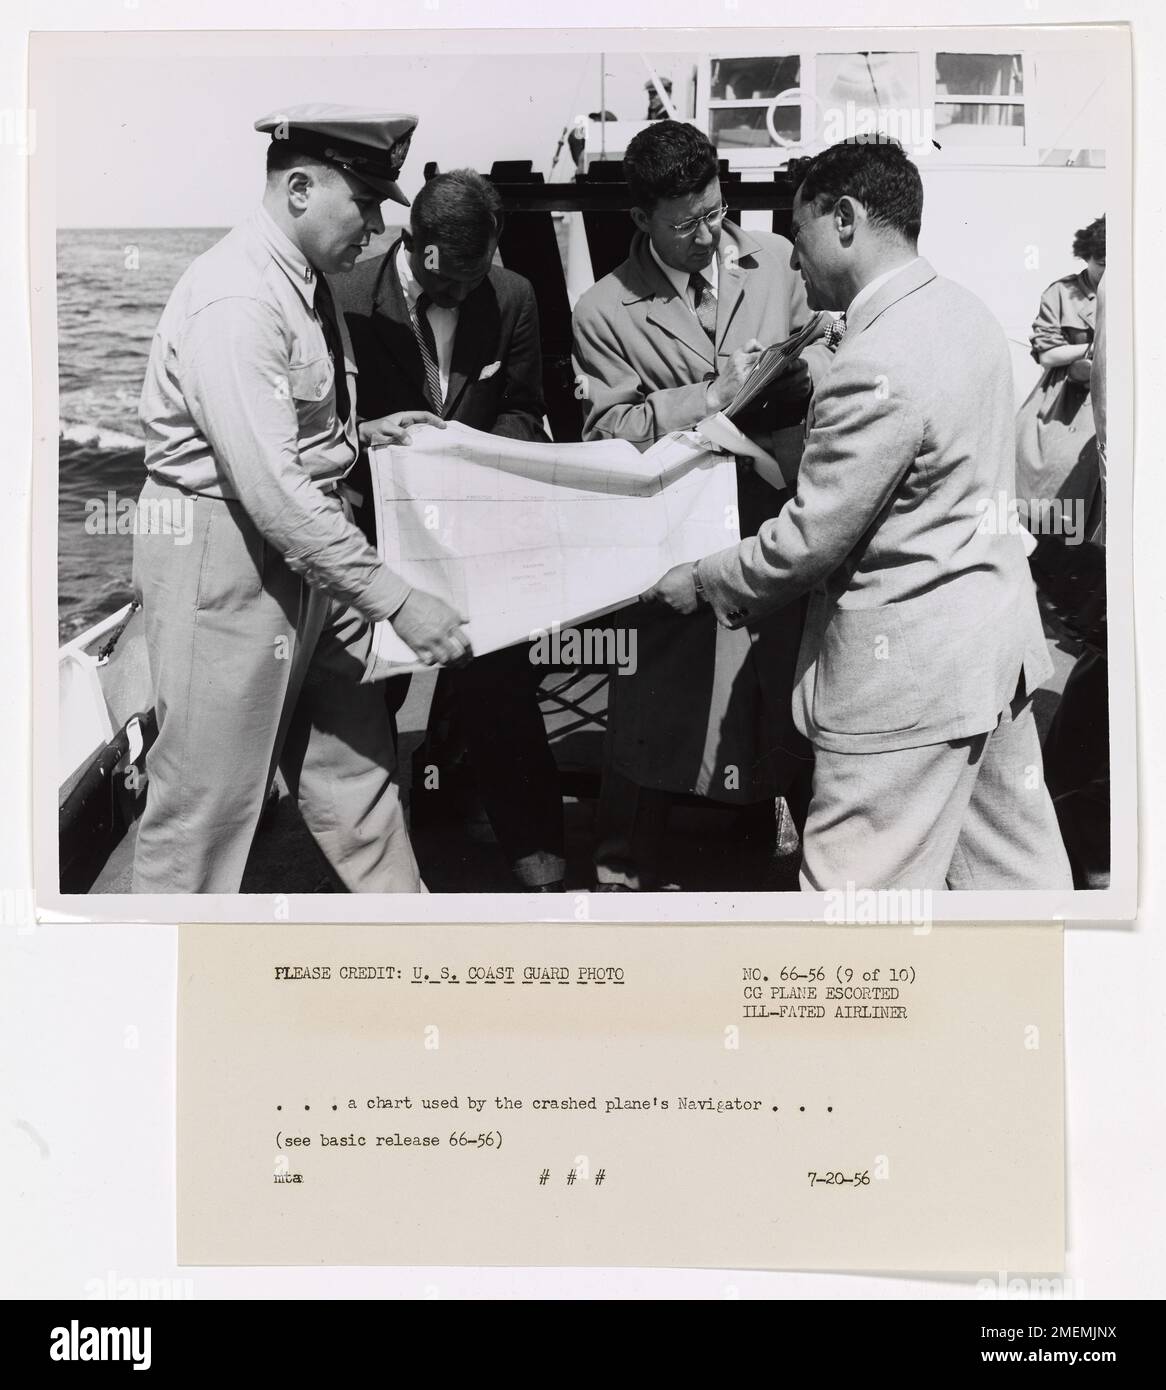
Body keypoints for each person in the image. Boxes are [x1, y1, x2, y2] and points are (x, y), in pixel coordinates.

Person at [645, 138, 1072, 892]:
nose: (794, 258)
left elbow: (811, 539)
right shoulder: (965, 313)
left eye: (799, 233)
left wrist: (705, 579)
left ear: (844, 220)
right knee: (1015, 891)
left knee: (848, 913)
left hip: (904, 687)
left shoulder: (874, 359)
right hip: (992, 660)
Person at [132, 104, 471, 895]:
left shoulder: (302, 284)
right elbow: (271, 488)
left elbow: (290, 430)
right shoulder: (238, 298)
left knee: (359, 778)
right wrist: (398, 602)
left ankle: (416, 949)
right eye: (366, 202)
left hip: (309, 555)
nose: (380, 225)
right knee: (205, 815)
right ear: (298, 190)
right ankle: (154, 1002)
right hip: (229, 564)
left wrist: (363, 434)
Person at [572, 119, 831, 890]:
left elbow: (820, 343)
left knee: (776, 682)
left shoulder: (779, 258)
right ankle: (623, 860)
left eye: (716, 212)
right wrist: (709, 397)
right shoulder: (602, 309)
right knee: (659, 696)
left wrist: (803, 364)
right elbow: (609, 429)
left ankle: (781, 843)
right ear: (641, 219)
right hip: (675, 531)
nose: (707, 234)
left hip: (773, 512)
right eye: (685, 224)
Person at [334, 169, 566, 891]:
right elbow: (325, 429)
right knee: (368, 702)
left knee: (502, 687)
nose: (474, 287)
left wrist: (468, 456)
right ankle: (376, 866)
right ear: (420, 248)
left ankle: (540, 858)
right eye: (461, 274)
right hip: (375, 541)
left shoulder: (514, 296)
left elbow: (526, 409)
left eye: (485, 268)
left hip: (475, 533)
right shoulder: (342, 299)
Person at [1015, 215, 1105, 540]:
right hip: (1066, 405)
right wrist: (1093, 351)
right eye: (1100, 263)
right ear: (1086, 256)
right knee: (1052, 506)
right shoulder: (1062, 292)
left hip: (1114, 406)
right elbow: (1047, 354)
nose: (1106, 273)